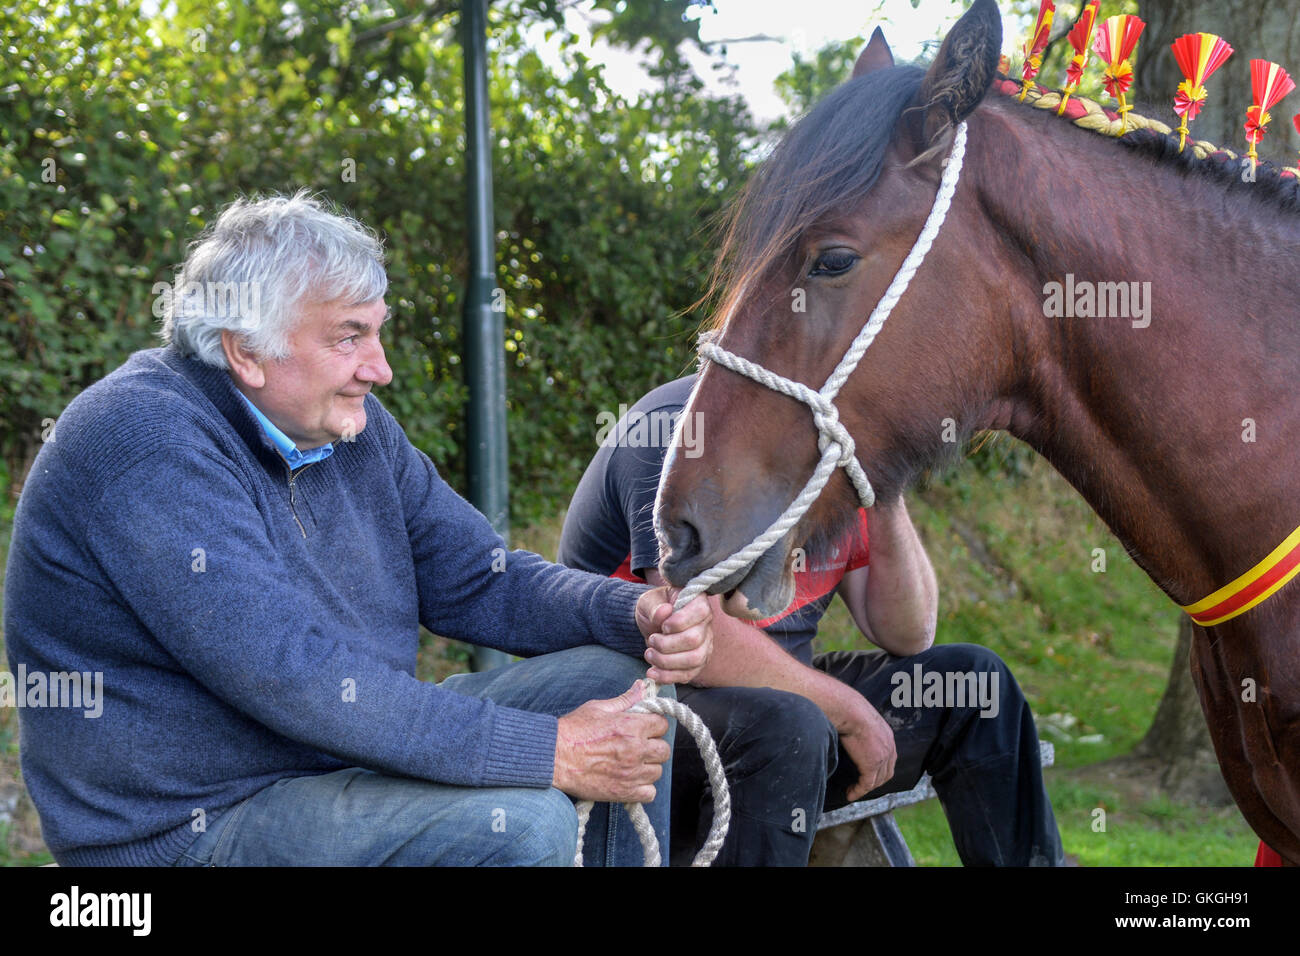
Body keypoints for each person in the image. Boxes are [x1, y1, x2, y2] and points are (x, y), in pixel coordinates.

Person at [1, 192, 713, 867]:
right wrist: (552, 749)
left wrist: (631, 612)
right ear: (246, 351)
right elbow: (293, 674)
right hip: (195, 822)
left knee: (619, 678)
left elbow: (476, 578)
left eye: (377, 332)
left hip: (329, 755)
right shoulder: (142, 439)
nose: (381, 368)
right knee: (524, 827)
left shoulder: (352, 429)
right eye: (349, 337)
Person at [558, 375, 1064, 866]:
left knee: (971, 685)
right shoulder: (679, 431)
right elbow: (691, 632)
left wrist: (884, 485)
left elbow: (908, 632)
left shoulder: (836, 446)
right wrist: (843, 707)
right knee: (792, 726)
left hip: (782, 723)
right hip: (638, 718)